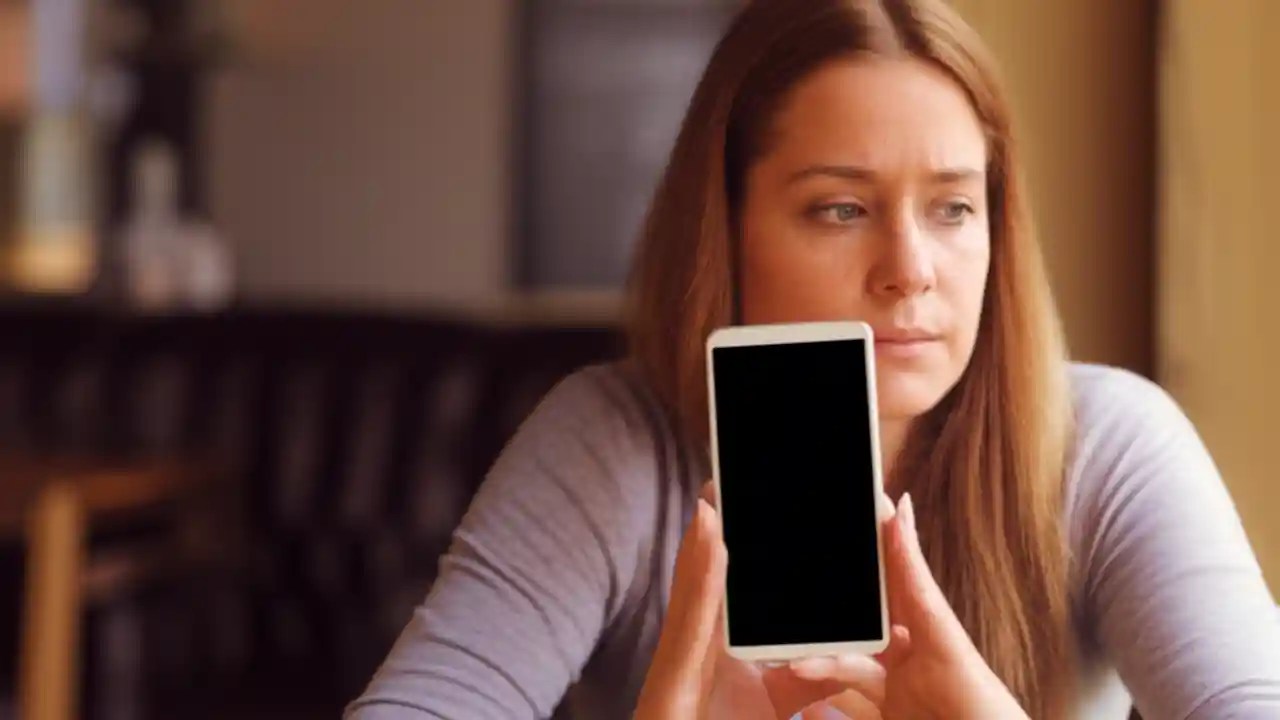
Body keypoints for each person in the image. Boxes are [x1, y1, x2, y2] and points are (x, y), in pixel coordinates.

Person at [347, 0, 1280, 717]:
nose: (910, 272)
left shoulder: (1109, 445)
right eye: (841, 208)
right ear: (728, 227)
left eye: (953, 208)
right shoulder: (616, 443)